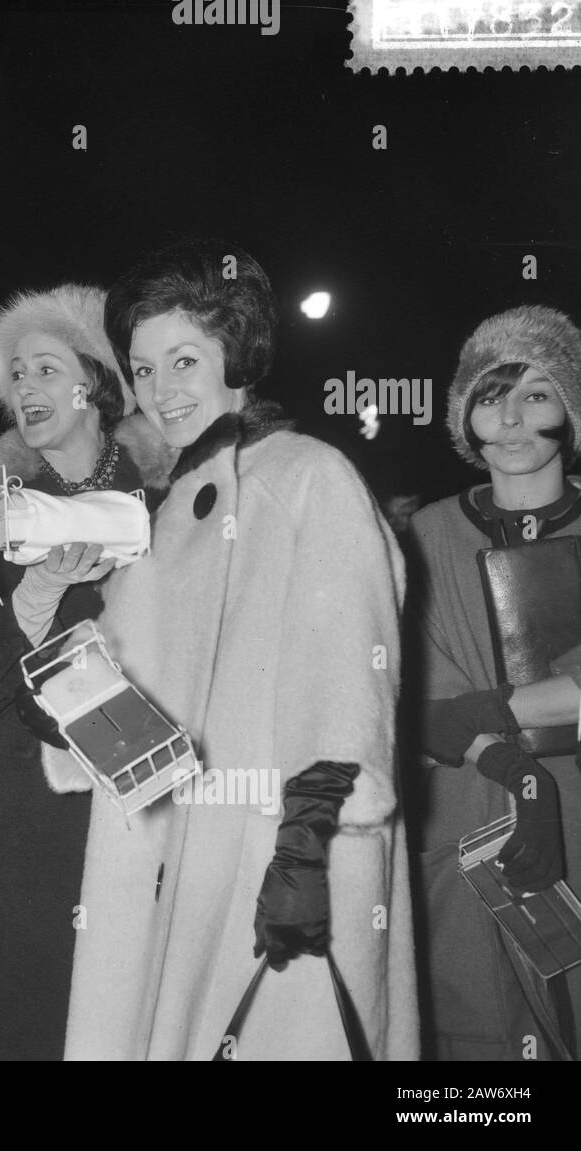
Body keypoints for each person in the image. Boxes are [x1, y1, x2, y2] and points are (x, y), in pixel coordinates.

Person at [65, 239, 418, 1060]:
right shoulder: (169, 508)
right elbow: (137, 691)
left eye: (183, 359)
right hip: (186, 857)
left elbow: (349, 678)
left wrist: (302, 850)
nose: (161, 390)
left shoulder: (309, 476)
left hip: (284, 853)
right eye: (142, 369)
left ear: (240, 353)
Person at [0, 283, 172, 1060]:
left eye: (45, 367)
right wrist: (31, 607)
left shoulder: (170, 504)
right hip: (26, 804)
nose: (26, 388)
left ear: (96, 383)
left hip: (139, 792)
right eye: (16, 375)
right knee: (28, 1017)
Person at [409, 304, 581, 1060]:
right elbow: (420, 699)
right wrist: (509, 757)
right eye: (490, 396)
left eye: (536, 394)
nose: (510, 419)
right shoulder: (429, 534)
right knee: (473, 1041)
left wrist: (481, 712)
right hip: (467, 825)